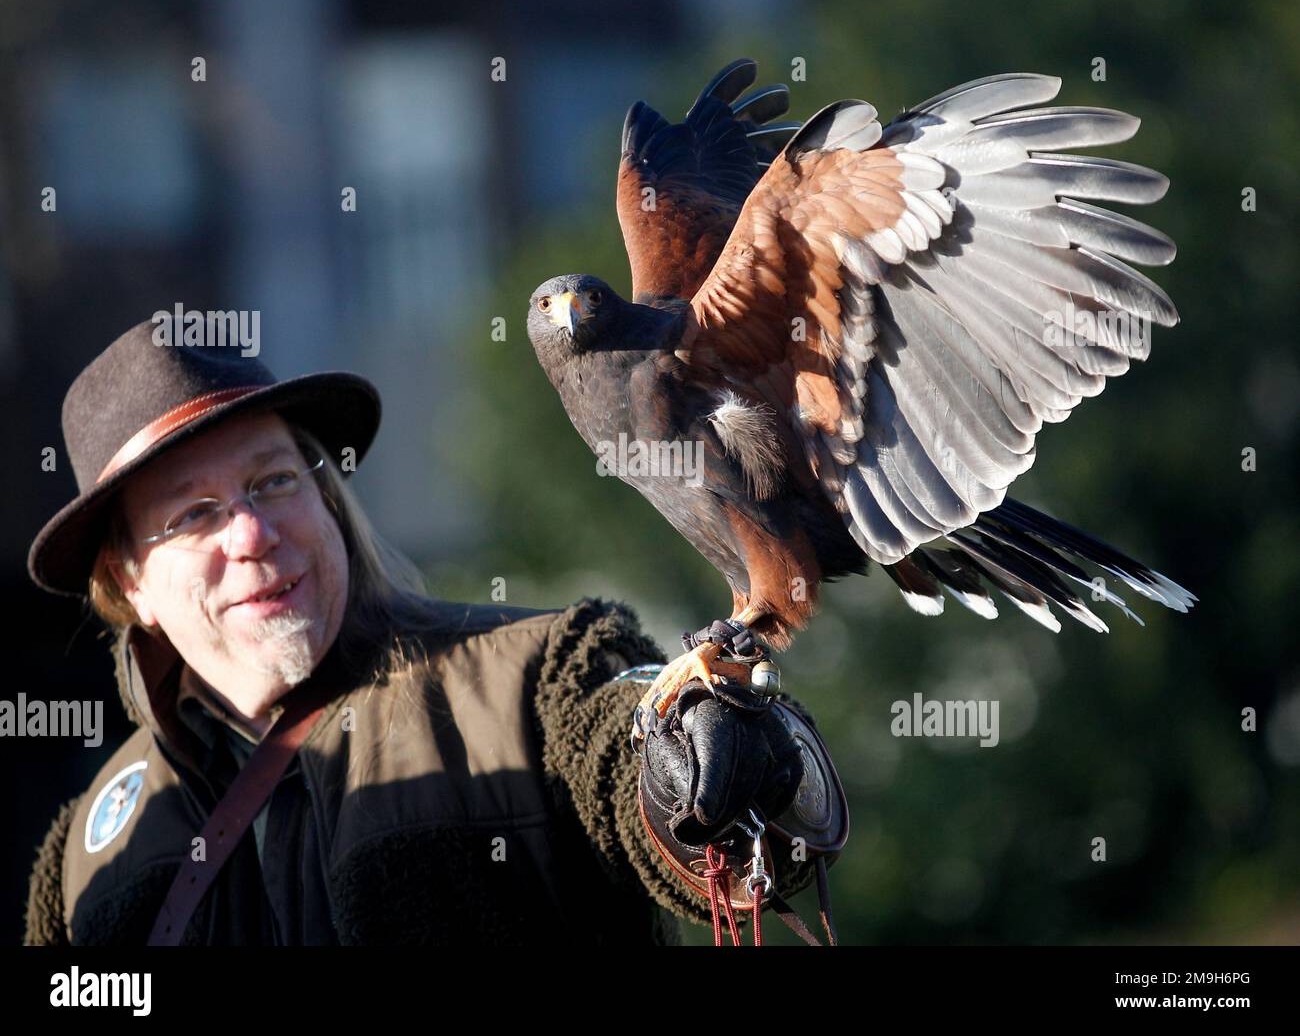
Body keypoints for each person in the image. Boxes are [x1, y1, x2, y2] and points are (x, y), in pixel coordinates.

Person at [23, 320, 837, 946]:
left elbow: (623, 741)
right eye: (195, 514)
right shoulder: (86, 857)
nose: (251, 533)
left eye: (273, 480)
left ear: (328, 498)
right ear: (129, 580)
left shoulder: (539, 676)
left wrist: (696, 758)